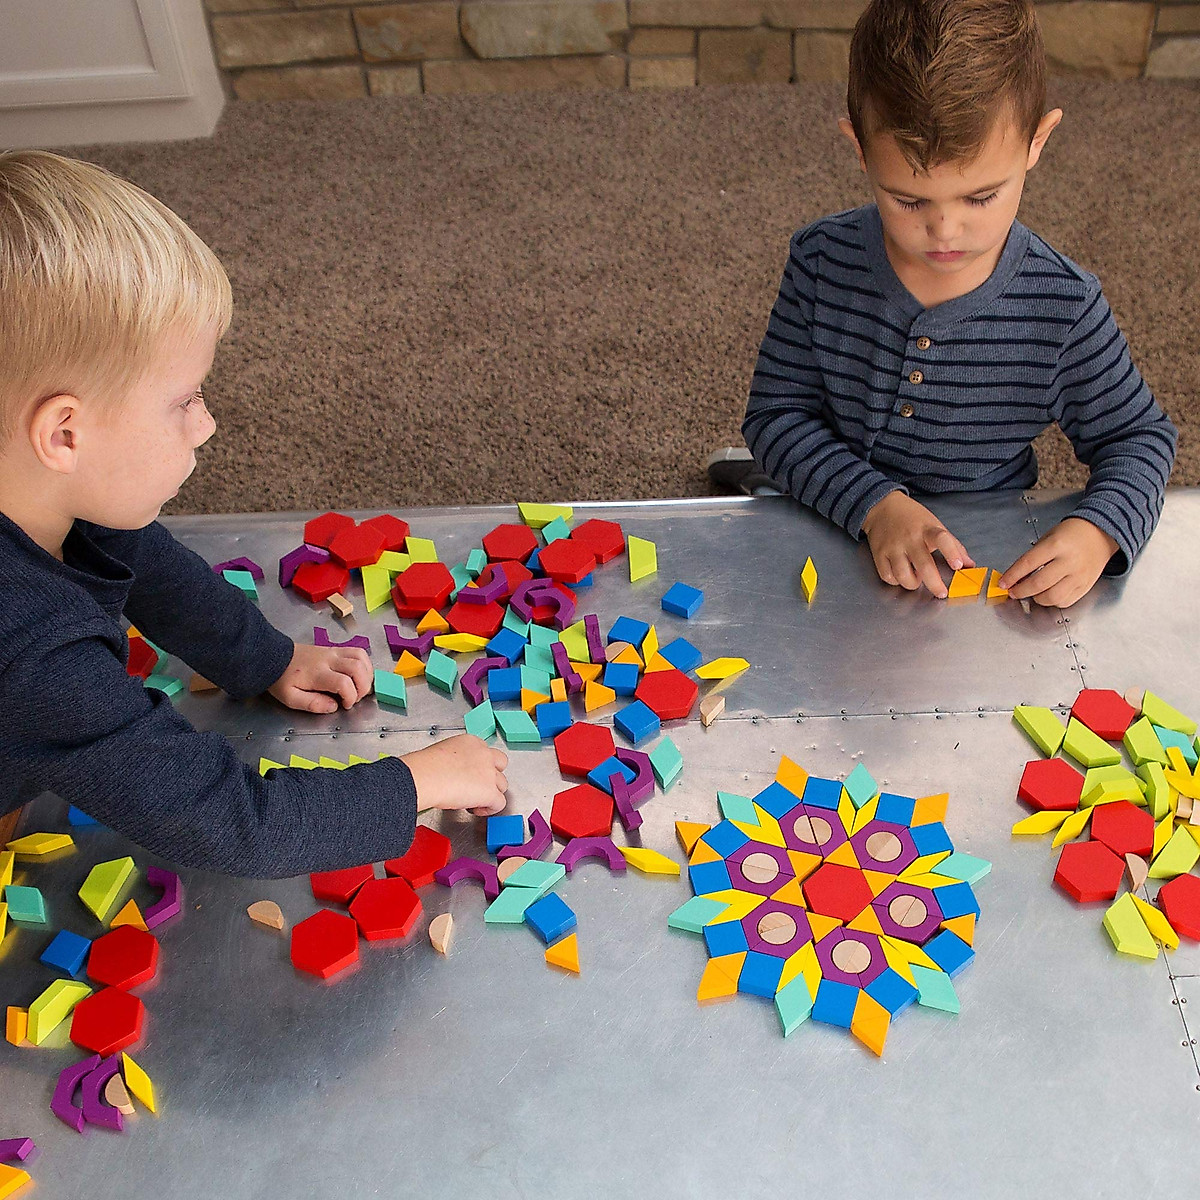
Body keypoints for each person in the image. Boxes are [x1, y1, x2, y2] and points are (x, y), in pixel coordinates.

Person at [0, 149, 507, 878]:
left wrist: (265, 657)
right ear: (65, 435)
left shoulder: (41, 490)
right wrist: (419, 779)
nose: (206, 425)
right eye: (184, 402)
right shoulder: (39, 655)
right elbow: (229, 824)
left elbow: (146, 564)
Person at [714, 0, 1177, 607]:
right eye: (908, 200)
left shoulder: (1063, 306)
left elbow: (1140, 438)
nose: (945, 231)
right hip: (834, 512)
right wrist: (875, 504)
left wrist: (1098, 534)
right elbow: (776, 417)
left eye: (980, 197)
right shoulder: (820, 258)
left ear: (1037, 142)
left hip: (981, 547)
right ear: (859, 148)